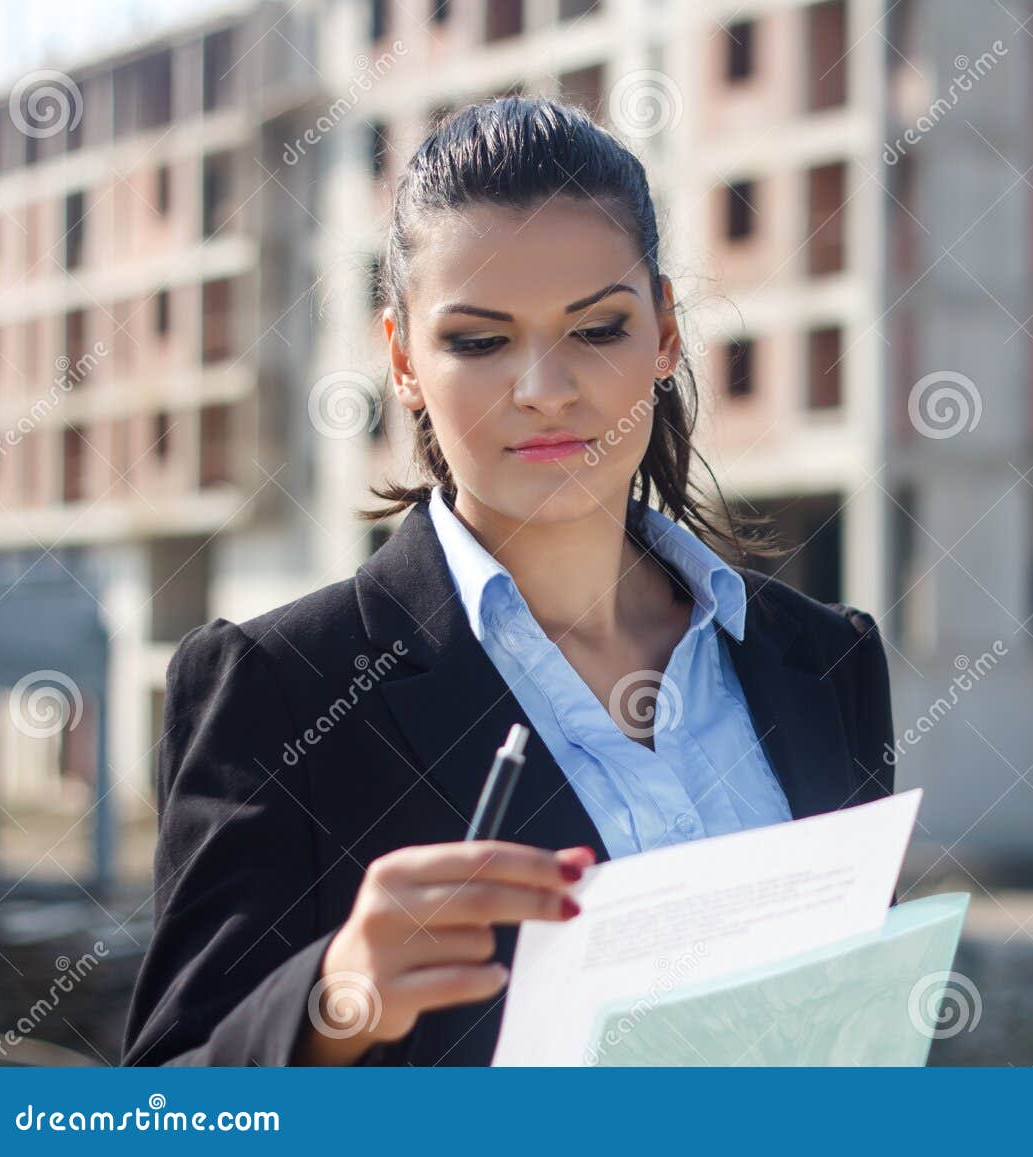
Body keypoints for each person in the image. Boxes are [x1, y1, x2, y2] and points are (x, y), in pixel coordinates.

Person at [121, 97, 895, 1067]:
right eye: (480, 341)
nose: (543, 386)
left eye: (596, 329)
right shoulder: (281, 690)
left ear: (662, 334)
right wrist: (333, 1001)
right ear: (403, 358)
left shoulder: (827, 660)